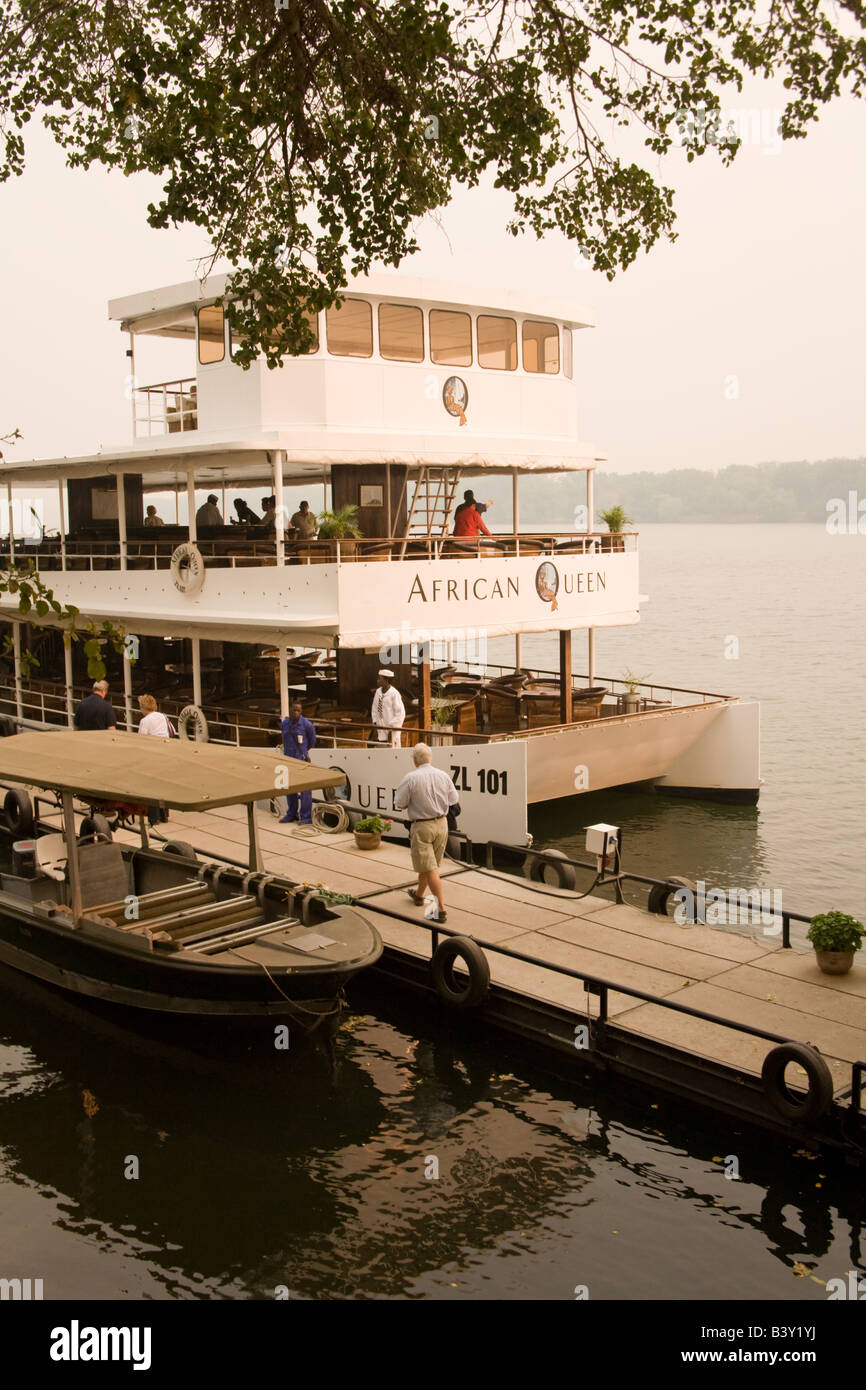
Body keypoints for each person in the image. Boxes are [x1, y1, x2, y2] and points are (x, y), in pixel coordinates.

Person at [395, 743, 458, 923]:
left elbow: (399, 803)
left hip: (422, 826)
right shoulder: (443, 775)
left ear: (415, 760)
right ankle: (419, 895)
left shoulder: (411, 778)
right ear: (430, 758)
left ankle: (440, 909)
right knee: (429, 865)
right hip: (442, 824)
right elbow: (454, 799)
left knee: (430, 868)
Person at [280, 700, 317, 825]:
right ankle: (292, 814)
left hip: (301, 759)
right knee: (289, 788)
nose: (296, 712)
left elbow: (312, 741)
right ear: (290, 710)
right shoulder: (285, 723)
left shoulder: (307, 725)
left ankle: (306, 818)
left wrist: (304, 752)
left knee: (305, 789)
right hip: (287, 758)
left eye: (298, 711)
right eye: (294, 710)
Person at [137, 694, 172, 825]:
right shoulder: (162, 716)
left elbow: (142, 739)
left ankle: (154, 817)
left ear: (143, 707)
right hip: (164, 752)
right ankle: (164, 815)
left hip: (152, 754)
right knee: (163, 784)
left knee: (151, 786)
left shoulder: (145, 721)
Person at [371, 669, 405, 747]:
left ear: (386, 680)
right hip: (380, 729)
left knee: (392, 751)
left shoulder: (394, 693)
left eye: (380, 678)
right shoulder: (378, 692)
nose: (377, 680)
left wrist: (392, 728)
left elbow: (400, 714)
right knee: (380, 751)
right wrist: (375, 723)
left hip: (391, 730)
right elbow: (374, 709)